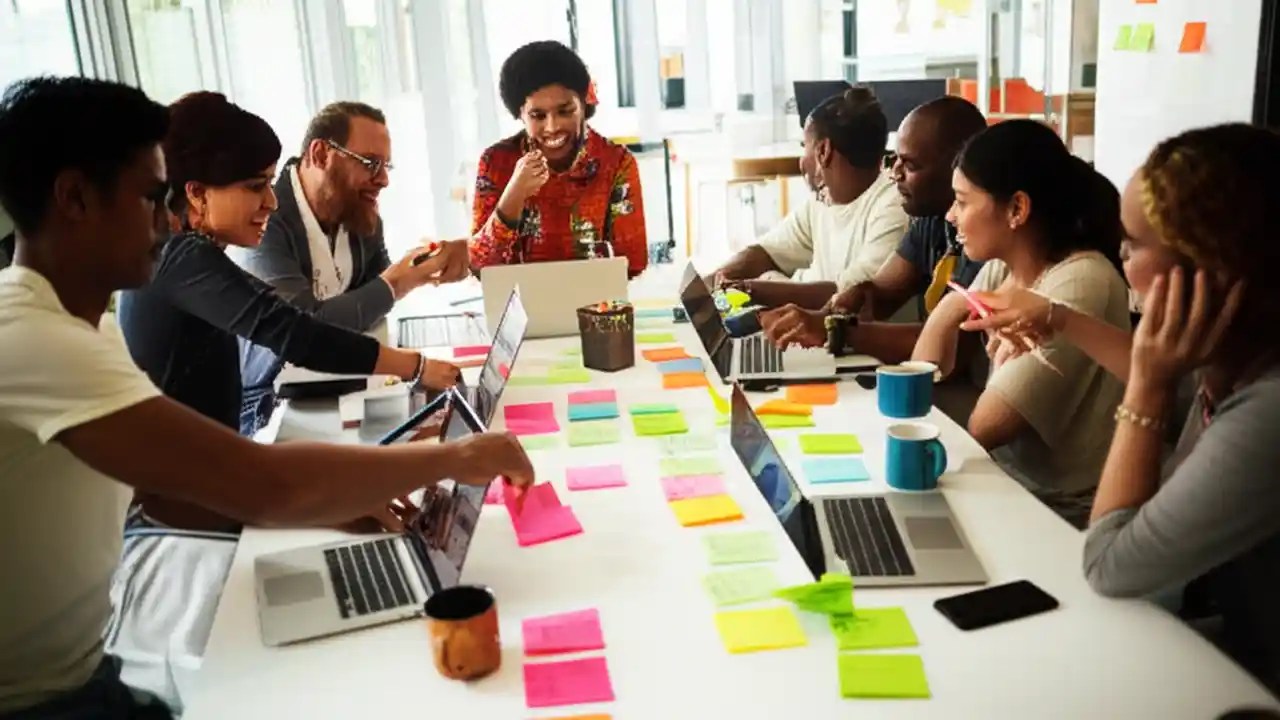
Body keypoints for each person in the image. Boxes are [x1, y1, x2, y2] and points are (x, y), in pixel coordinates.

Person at [0, 76, 532, 719]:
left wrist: (333, 500)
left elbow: (170, 486)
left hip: (91, 663)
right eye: (152, 197)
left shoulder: (88, 326)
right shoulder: (35, 338)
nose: (170, 220)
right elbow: (259, 476)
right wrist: (457, 457)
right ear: (75, 199)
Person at [109, 91, 460, 711]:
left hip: (216, 500)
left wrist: (321, 500)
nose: (272, 202)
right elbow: (292, 328)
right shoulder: (178, 259)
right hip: (181, 544)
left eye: (272, 183)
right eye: (255, 185)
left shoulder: (189, 255)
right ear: (195, 194)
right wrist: (416, 368)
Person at [960, 124, 1280, 694]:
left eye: (1132, 247)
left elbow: (1110, 565)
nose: (1122, 262)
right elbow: (1142, 367)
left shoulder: (1266, 413)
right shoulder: (1233, 367)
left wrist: (1150, 387)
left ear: (1204, 267)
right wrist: (1056, 317)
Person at [911, 119, 1130, 528]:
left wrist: (957, 307)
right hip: (1013, 488)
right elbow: (926, 376)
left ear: (1016, 209)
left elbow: (987, 425)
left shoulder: (1083, 280)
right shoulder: (1003, 268)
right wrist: (949, 309)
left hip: (1067, 516)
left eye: (961, 201)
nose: (950, 215)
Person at [233, 101, 470, 435]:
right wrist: (396, 283)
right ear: (320, 155)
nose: (383, 179)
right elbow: (302, 332)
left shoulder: (358, 212)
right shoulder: (265, 221)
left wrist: (425, 264)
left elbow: (373, 300)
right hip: (271, 413)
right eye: (371, 163)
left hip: (341, 387)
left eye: (387, 166)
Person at [761, 96, 989, 366]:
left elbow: (955, 345)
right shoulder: (932, 220)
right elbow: (882, 292)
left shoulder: (987, 238)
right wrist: (848, 301)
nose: (895, 174)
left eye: (911, 165)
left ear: (957, 167)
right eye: (895, 160)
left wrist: (838, 332)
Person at [711, 86, 908, 310]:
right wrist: (718, 279)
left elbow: (849, 296)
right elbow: (764, 252)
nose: (801, 161)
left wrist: (751, 290)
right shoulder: (822, 202)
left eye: (805, 147)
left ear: (823, 151)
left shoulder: (894, 206)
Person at [471, 40, 648, 277]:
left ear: (584, 105)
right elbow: (479, 267)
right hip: (517, 310)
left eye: (565, 111)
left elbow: (633, 263)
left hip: (596, 307)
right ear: (520, 114)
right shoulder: (496, 162)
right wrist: (513, 195)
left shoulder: (616, 163)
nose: (552, 127)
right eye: (537, 115)